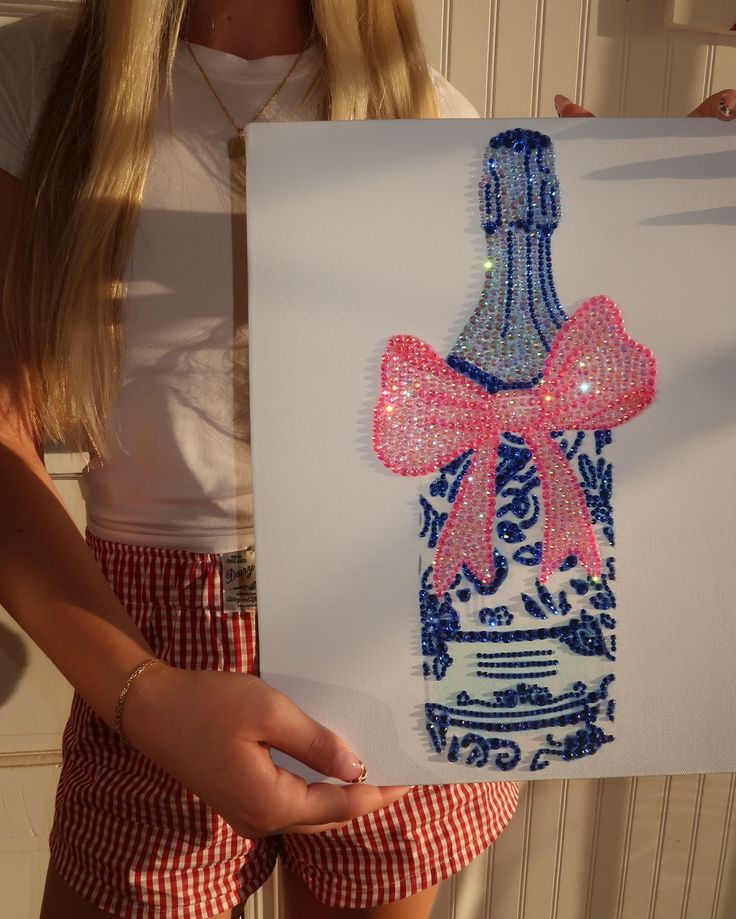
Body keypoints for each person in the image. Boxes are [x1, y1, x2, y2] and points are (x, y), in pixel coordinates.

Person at [0, 3, 732, 919]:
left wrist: (648, 244)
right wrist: (139, 695)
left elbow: (508, 433)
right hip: (141, 645)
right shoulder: (39, 75)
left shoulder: (429, 114)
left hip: (390, 633)